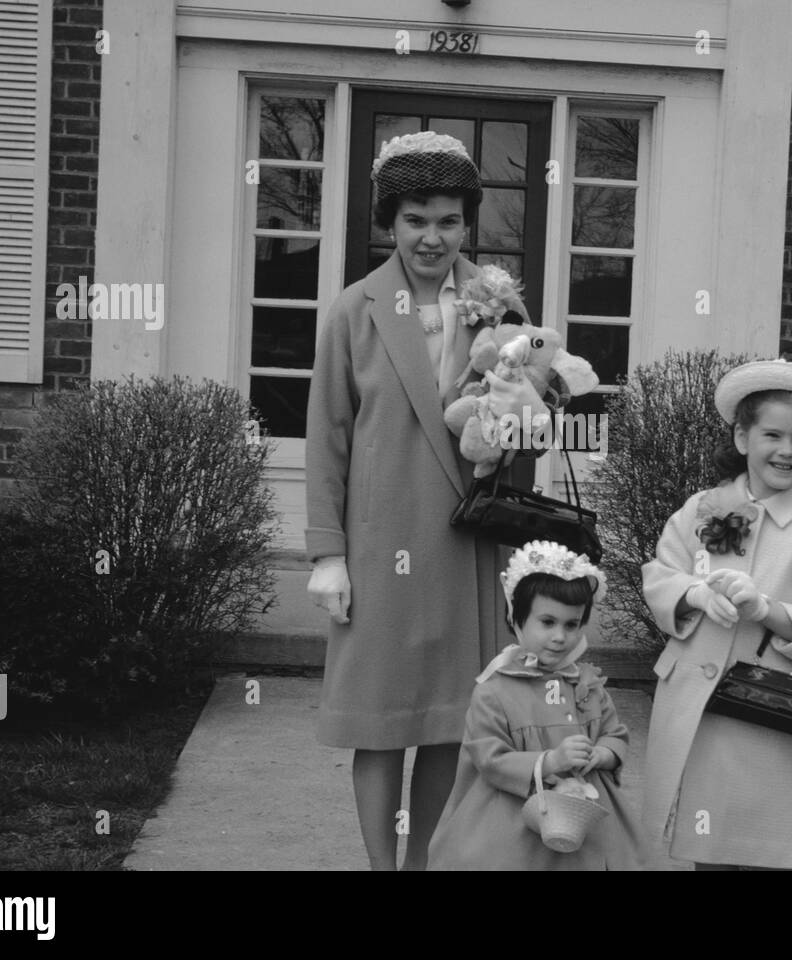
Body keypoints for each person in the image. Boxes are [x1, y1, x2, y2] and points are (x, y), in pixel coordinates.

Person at [304, 131, 550, 871]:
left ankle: (425, 868)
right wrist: (328, 554)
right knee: (380, 723)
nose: (432, 237)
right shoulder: (355, 310)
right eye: (415, 219)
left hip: (466, 541)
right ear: (389, 223)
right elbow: (328, 434)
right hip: (381, 547)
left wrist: (520, 424)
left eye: (448, 219)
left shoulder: (500, 305)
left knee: (450, 722)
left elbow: (528, 429)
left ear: (468, 222)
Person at [640, 358, 792, 870]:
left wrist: (767, 608)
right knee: (711, 843)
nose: (786, 451)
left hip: (776, 710)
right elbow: (660, 573)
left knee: (771, 846)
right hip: (704, 712)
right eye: (772, 435)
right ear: (743, 438)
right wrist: (694, 595)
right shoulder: (703, 508)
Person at [427, 540, 645, 870]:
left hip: (583, 816)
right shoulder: (495, 689)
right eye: (547, 622)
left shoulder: (585, 683)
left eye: (571, 624)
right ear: (516, 618)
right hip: (511, 820)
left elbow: (615, 733)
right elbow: (488, 757)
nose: (560, 636)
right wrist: (550, 760)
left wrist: (604, 753)